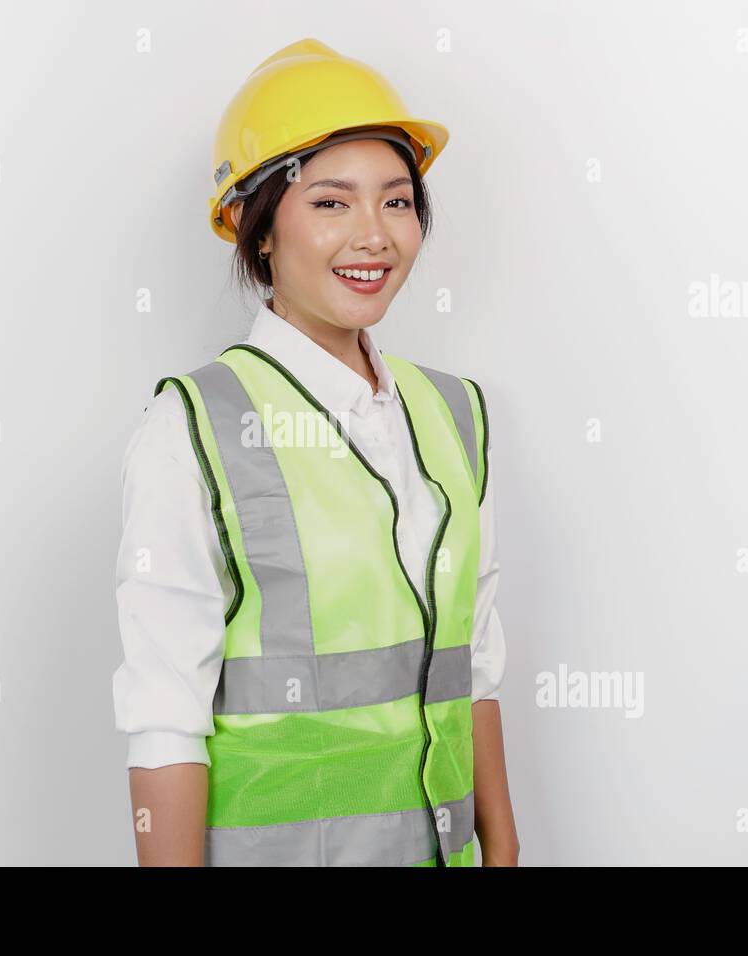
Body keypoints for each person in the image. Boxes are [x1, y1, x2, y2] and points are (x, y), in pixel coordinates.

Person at [112, 37, 519, 866]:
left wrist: (505, 852)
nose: (373, 236)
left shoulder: (452, 414)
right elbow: (165, 720)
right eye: (330, 203)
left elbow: (470, 666)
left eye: (397, 202)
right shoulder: (195, 427)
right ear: (258, 231)